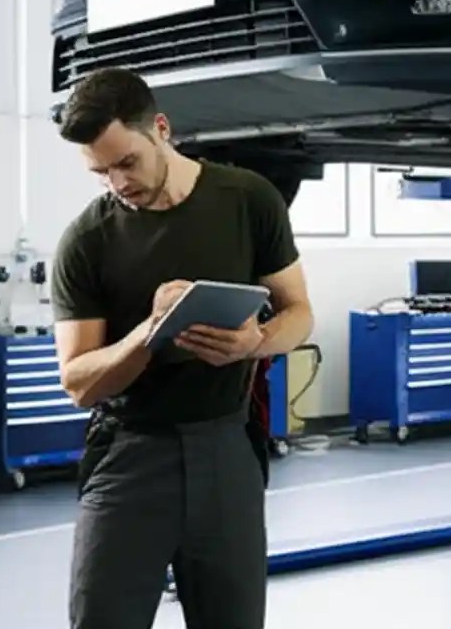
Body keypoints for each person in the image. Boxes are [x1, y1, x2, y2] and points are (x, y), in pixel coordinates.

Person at [49, 66, 313, 629]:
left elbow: (300, 313)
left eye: (126, 163)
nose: (118, 183)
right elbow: (77, 381)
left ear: (161, 129)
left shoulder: (249, 200)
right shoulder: (87, 241)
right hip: (130, 458)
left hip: (226, 450)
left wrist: (255, 343)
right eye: (100, 173)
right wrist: (150, 331)